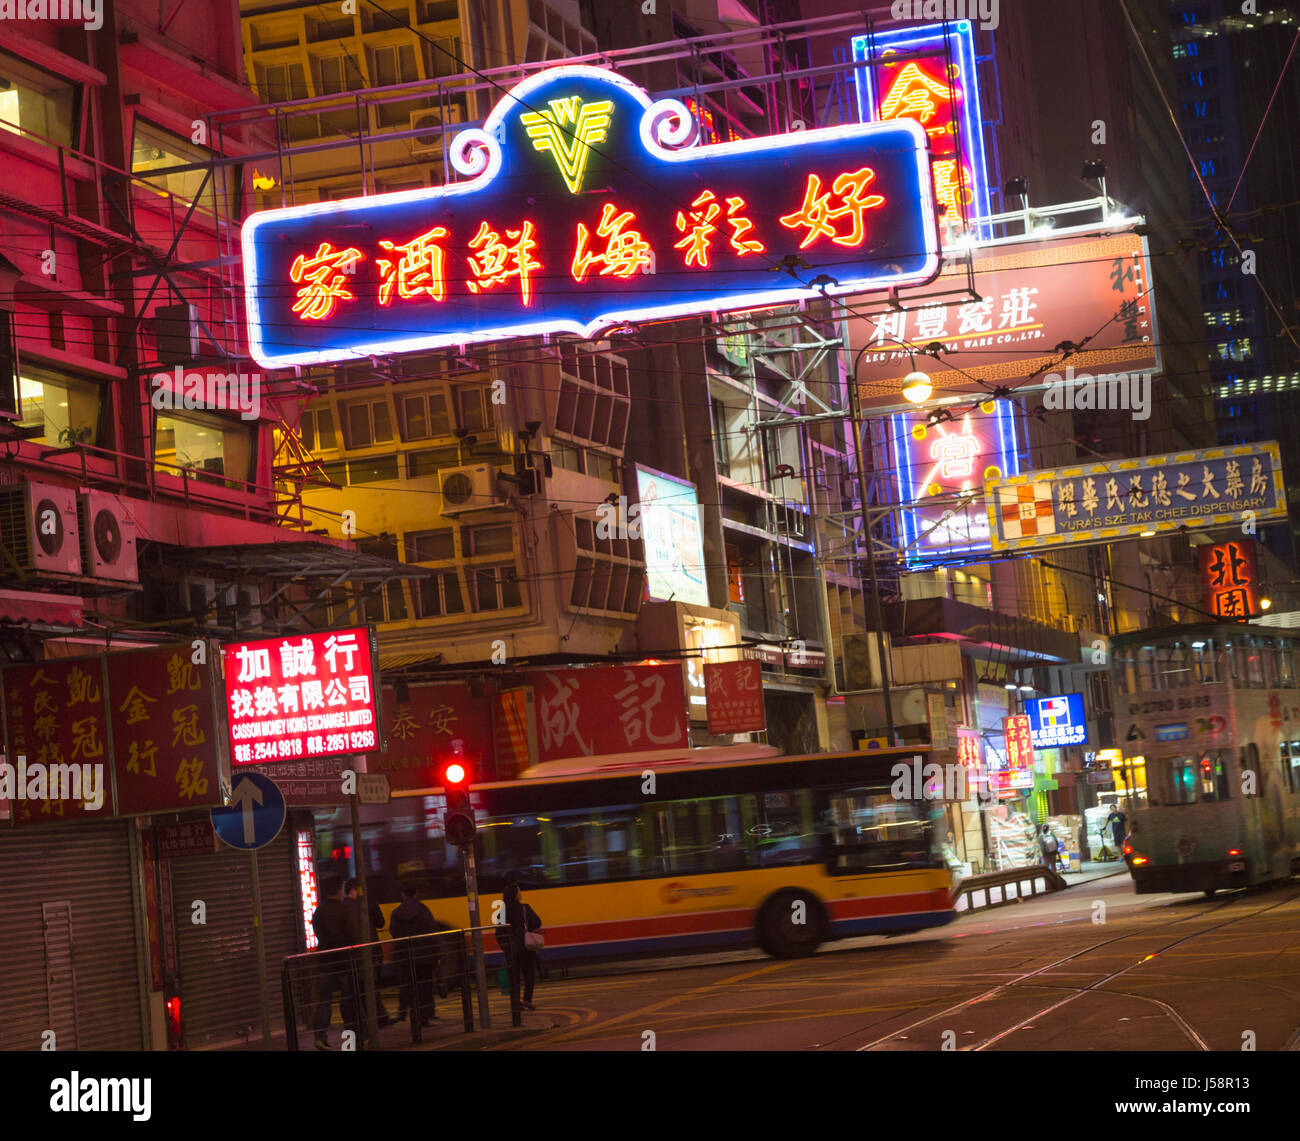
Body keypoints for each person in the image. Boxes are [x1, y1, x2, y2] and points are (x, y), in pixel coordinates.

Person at [310, 875, 360, 1050]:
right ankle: (350, 1042)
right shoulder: (344, 910)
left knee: (324, 1002)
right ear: (339, 890)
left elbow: (317, 932)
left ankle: (320, 1037)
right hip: (344, 961)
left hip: (324, 961)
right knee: (347, 1002)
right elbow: (353, 934)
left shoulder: (319, 911)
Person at [387, 882, 446, 1025]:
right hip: (424, 956)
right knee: (424, 987)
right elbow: (432, 932)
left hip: (405, 956)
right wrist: (437, 954)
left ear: (402, 894)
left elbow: (393, 932)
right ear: (416, 893)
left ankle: (406, 1016)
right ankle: (423, 1018)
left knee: (407, 986)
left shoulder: (396, 913)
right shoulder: (423, 910)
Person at [344, 879, 390, 1027]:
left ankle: (372, 1018)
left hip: (353, 955)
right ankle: (379, 1019)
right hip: (372, 951)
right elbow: (381, 923)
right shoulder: (367, 902)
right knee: (372, 985)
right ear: (355, 889)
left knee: (359, 987)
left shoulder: (343, 906)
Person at [500, 876, 543, 1012]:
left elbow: (498, 932)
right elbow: (537, 922)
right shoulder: (525, 908)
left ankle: (515, 1004)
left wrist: (505, 947)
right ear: (515, 894)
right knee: (529, 974)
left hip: (511, 949)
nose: (521, 892)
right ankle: (527, 1000)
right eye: (519, 891)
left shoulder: (502, 911)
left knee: (514, 977)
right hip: (525, 947)